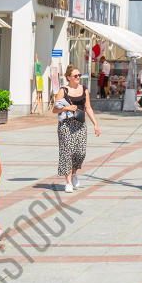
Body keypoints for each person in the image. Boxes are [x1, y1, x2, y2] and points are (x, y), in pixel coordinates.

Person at [57, 65, 100, 193]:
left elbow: (88, 108)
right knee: (67, 152)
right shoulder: (63, 91)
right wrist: (66, 108)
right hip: (66, 125)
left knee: (80, 153)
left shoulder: (84, 89)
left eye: (79, 75)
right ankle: (68, 182)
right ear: (68, 77)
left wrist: (95, 124)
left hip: (80, 124)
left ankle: (74, 173)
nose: (78, 77)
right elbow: (55, 109)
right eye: (75, 76)